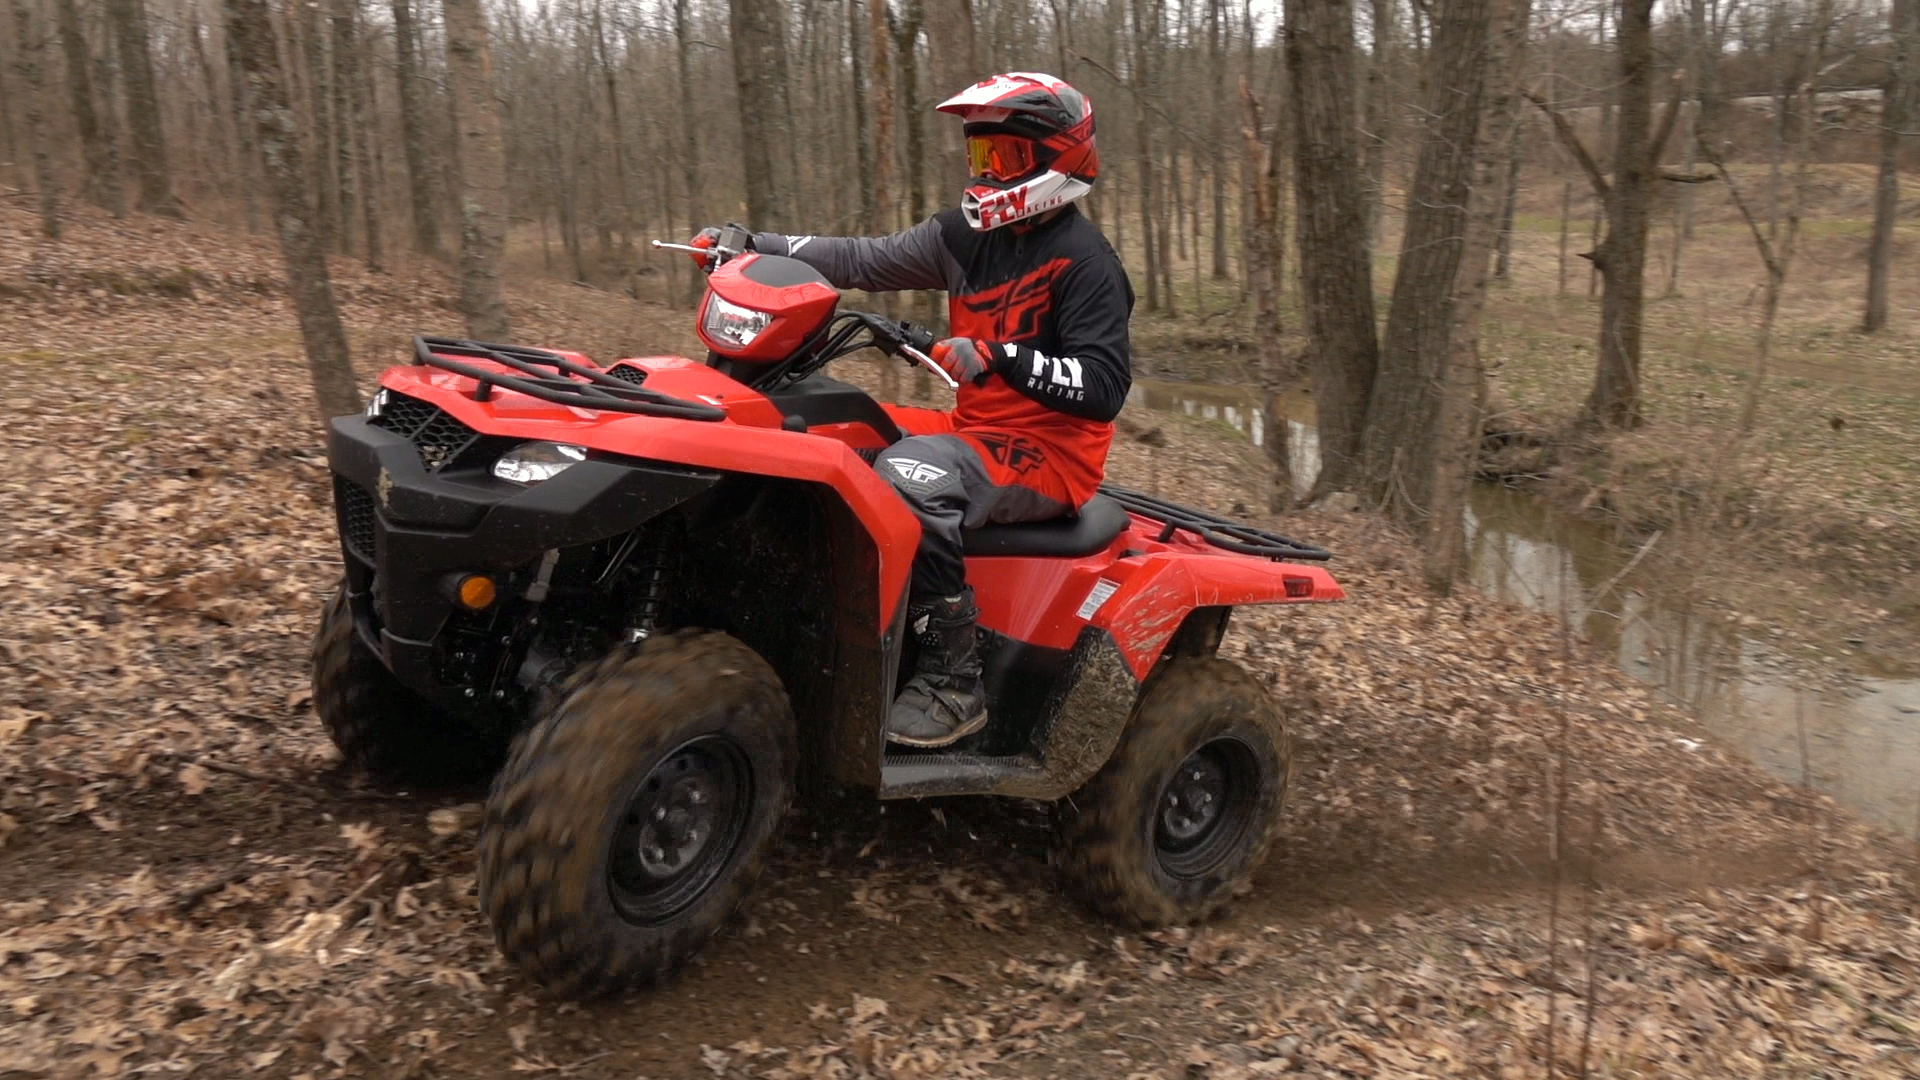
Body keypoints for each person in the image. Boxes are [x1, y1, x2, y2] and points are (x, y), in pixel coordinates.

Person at [694, 72, 1133, 749]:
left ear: (1058, 160)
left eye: (1005, 159)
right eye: (980, 156)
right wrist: (759, 245)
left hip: (1049, 458)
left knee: (912, 475)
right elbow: (867, 258)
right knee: (825, 432)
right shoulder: (965, 236)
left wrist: (1001, 358)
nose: (986, 173)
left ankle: (955, 680)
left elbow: (1104, 386)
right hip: (975, 433)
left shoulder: (1087, 265)